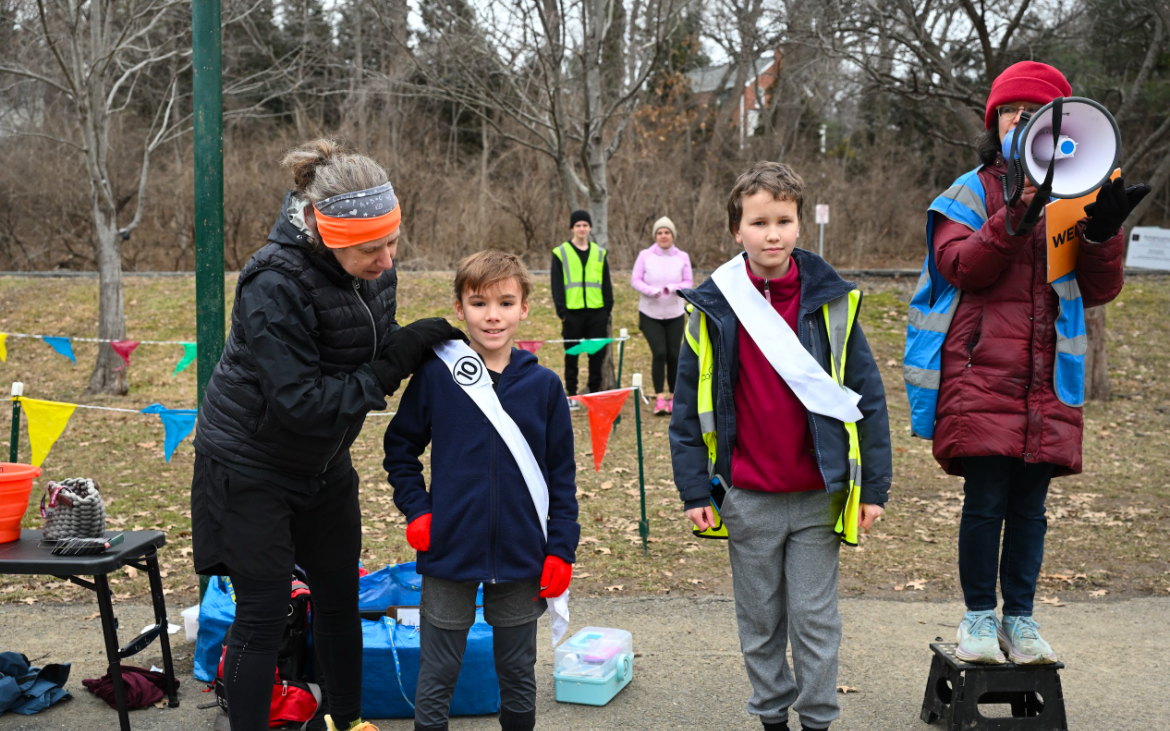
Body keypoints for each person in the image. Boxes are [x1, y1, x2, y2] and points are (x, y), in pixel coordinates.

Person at [191, 139, 463, 731]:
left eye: (393, 241)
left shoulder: (373, 271)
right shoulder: (273, 282)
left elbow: (364, 350)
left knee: (341, 599)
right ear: (322, 231)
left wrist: (413, 344)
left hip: (325, 464)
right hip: (251, 465)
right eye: (371, 248)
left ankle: (347, 721)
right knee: (263, 617)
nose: (387, 260)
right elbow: (300, 403)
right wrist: (396, 361)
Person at [910, 61, 1149, 665]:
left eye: (1036, 112)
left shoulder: (1077, 194)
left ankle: (1020, 618)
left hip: (1047, 383)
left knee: (1030, 510)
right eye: (1013, 111)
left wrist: (1103, 237)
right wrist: (1017, 211)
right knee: (985, 502)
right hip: (981, 374)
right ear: (996, 122)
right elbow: (961, 266)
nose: (1023, 120)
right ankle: (978, 621)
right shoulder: (967, 192)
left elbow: (1096, 290)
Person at [670, 162, 892, 731]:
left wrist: (876, 487)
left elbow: (867, 394)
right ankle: (770, 716)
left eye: (784, 220)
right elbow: (688, 410)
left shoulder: (833, 302)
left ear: (799, 225)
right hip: (748, 497)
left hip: (819, 496)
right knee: (760, 620)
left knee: (815, 622)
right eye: (759, 221)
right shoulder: (714, 308)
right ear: (736, 231)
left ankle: (818, 720)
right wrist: (695, 487)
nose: (773, 233)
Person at [384, 250, 580, 731]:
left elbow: (563, 476)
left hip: (521, 554)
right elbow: (400, 447)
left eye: (506, 303)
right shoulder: (436, 375)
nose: (493, 315)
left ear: (525, 309)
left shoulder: (546, 386)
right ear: (459, 307)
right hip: (449, 548)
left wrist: (561, 549)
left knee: (516, 670)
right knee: (439, 670)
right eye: (479, 303)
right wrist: (417, 511)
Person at [550, 209, 613, 407]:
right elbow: (557, 285)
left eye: (585, 225)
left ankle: (593, 395)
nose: (582, 228)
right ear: (572, 228)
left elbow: (606, 284)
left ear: (590, 228)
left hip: (597, 313)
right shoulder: (561, 253)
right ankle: (572, 395)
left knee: (596, 357)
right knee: (572, 355)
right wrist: (562, 313)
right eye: (578, 225)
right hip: (572, 314)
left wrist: (606, 311)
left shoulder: (599, 253)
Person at [630, 216, 693, 415]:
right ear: (655, 236)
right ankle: (659, 398)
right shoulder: (645, 255)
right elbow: (635, 280)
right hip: (650, 313)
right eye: (660, 233)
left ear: (672, 235)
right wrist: (650, 290)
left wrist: (673, 288)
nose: (663, 236)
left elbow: (688, 282)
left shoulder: (682, 256)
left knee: (674, 354)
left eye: (667, 232)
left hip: (674, 312)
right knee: (659, 353)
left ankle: (674, 397)